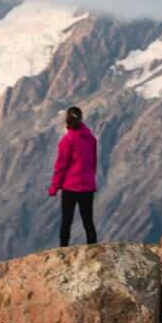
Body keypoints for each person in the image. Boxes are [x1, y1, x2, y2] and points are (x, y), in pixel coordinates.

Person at [48, 105, 98, 247]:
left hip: (71, 185)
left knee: (67, 219)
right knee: (88, 220)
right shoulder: (90, 138)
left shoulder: (67, 140)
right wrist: (90, 178)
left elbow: (61, 165)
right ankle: (93, 249)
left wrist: (54, 187)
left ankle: (63, 250)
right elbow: (93, 161)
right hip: (88, 185)